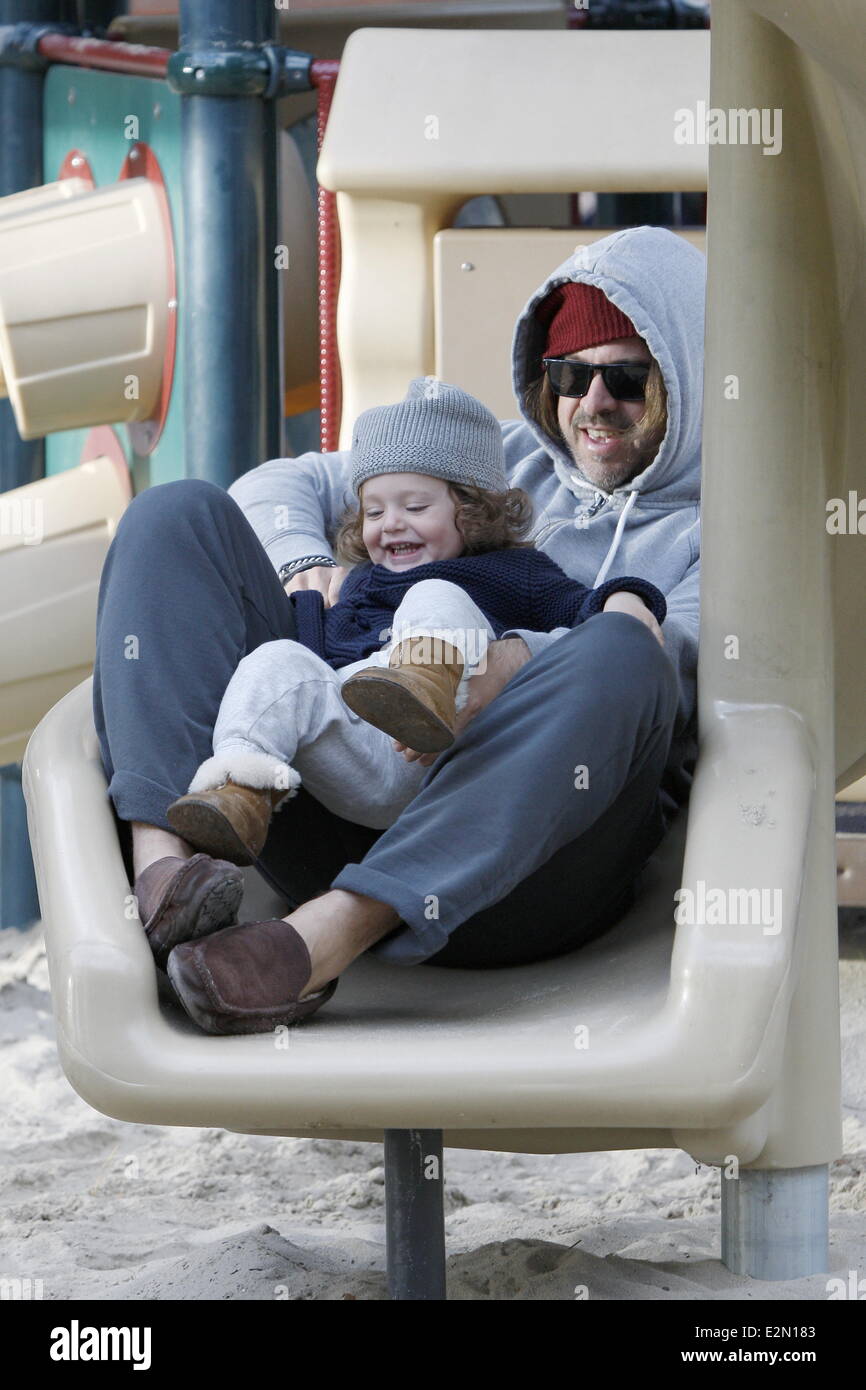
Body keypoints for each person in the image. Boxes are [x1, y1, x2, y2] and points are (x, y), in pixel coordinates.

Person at [92, 223, 702, 1036]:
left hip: (535, 870)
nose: (592, 403)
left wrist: (514, 663)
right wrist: (304, 561)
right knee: (175, 516)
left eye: (626, 378)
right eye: (569, 373)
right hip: (339, 795)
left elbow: (677, 667)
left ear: (686, 380)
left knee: (625, 644)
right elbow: (283, 481)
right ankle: (165, 879)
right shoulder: (492, 454)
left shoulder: (720, 529)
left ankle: (316, 946)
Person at [163, 378, 667, 884]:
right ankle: (241, 788)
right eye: (374, 511)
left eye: (415, 508)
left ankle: (422, 684)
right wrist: (303, 601)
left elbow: (582, 616)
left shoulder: (517, 572)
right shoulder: (359, 582)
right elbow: (314, 659)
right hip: (358, 751)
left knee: (434, 594)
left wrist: (625, 597)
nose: (391, 524)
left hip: (446, 749)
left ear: (474, 510)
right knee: (274, 661)